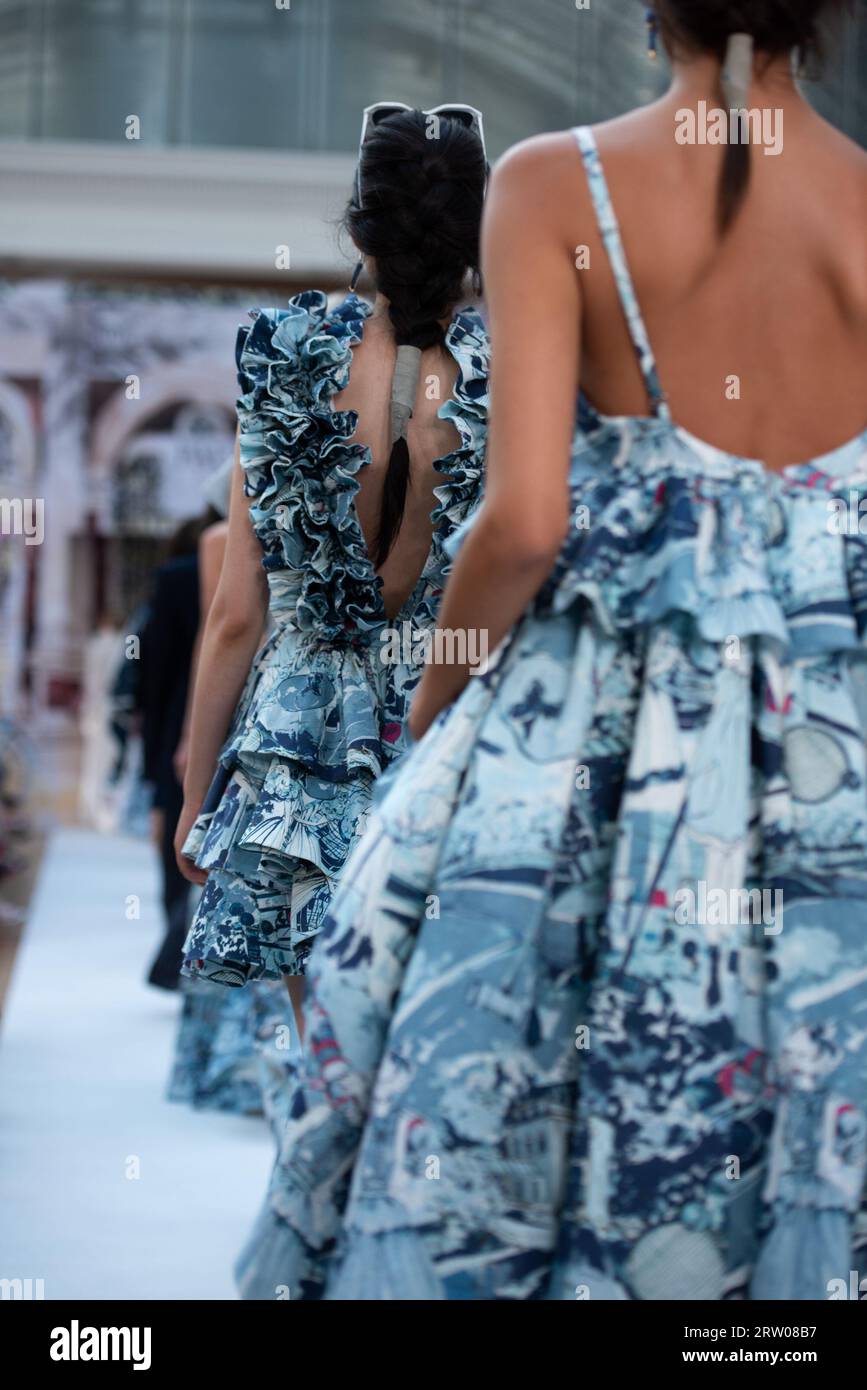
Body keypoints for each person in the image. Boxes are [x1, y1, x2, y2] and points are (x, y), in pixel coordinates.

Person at [237, 0, 867, 1301]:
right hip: (827, 742)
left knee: (525, 1101)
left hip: (592, 741)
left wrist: (436, 693)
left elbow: (523, 521)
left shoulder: (553, 184)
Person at [174, 106, 490, 1040]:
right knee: (432, 1032)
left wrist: (200, 791)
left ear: (358, 228)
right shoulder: (508, 374)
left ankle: (319, 1178)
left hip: (300, 740)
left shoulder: (284, 356)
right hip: (449, 717)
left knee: (325, 1046)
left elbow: (237, 612)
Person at [140, 513, 215, 990]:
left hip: (183, 727)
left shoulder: (177, 576)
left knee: (179, 840)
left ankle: (179, 956)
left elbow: (155, 673)